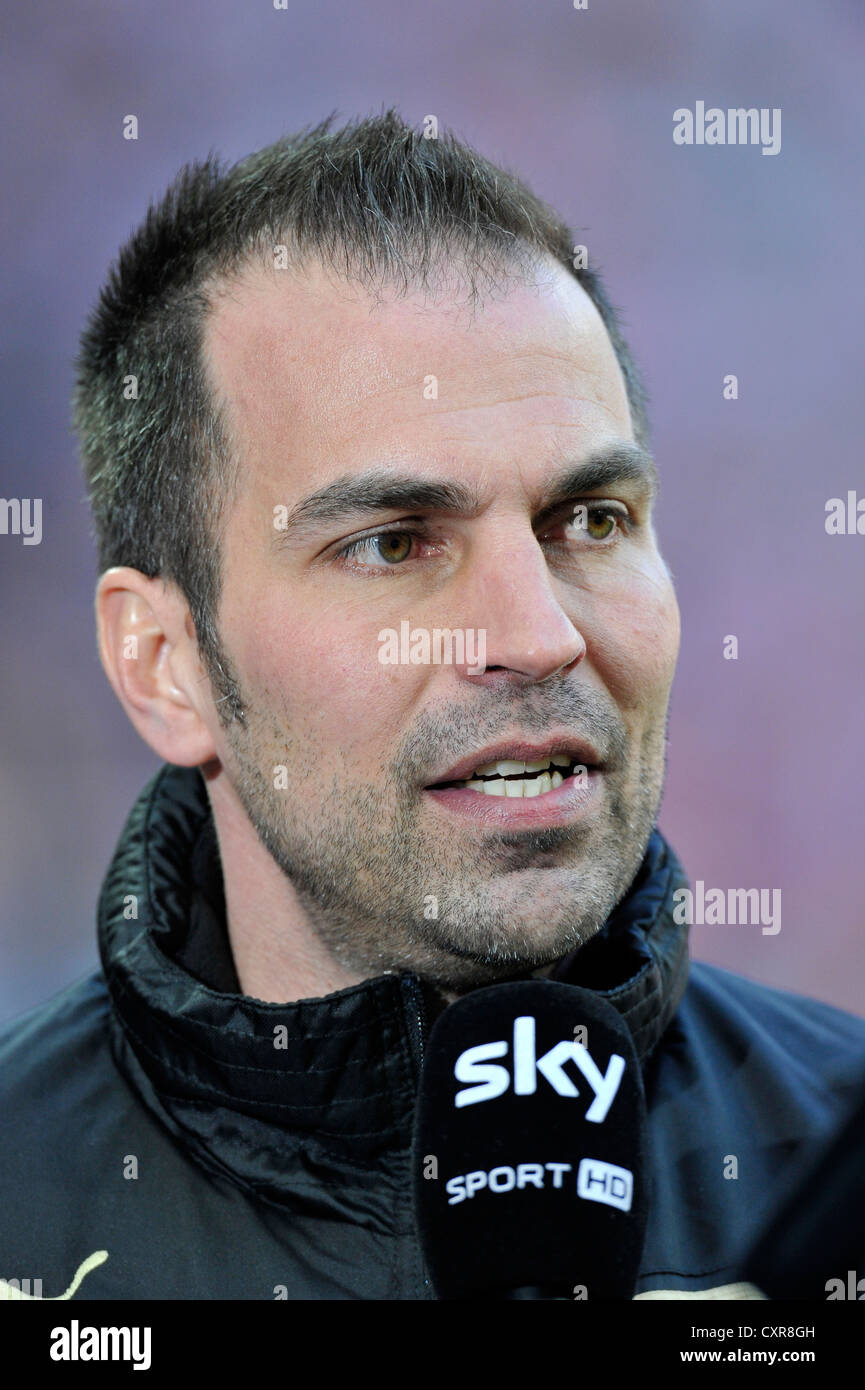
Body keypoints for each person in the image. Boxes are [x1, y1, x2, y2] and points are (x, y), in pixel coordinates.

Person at [2, 110, 863, 1301]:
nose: (537, 635)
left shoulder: (838, 1177)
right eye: (394, 542)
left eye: (589, 521)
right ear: (164, 662)